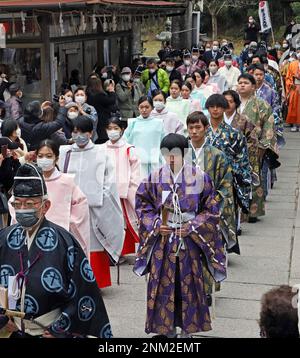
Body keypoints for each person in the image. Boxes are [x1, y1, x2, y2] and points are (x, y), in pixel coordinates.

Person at [0, 163, 111, 338]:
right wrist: (2, 319)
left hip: (49, 330)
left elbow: (83, 293)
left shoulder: (65, 242)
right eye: (17, 204)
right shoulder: (4, 239)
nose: (22, 209)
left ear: (46, 206)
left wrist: (61, 328)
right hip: (10, 331)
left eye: (29, 203)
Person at [133, 133, 226, 338]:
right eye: (166, 154)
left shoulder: (200, 178)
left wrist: (193, 225)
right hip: (164, 240)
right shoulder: (154, 178)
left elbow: (211, 211)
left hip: (188, 240)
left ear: (185, 153)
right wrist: (156, 224)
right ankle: (164, 329)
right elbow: (142, 205)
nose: (171, 158)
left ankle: (188, 329)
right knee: (163, 284)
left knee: (189, 284)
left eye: (175, 153)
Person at [59, 116, 124, 289]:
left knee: (93, 243)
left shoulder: (101, 153)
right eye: (75, 131)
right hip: (70, 208)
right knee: (71, 244)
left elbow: (109, 182)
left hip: (94, 208)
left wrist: (98, 197)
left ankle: (95, 283)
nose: (78, 135)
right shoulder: (65, 153)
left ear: (91, 133)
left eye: (82, 132)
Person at [205, 94, 252, 251]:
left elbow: (242, 159)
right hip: (203, 180)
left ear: (225, 108)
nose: (216, 109)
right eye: (212, 106)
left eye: (219, 106)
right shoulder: (202, 132)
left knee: (224, 214)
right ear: (208, 108)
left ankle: (222, 248)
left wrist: (239, 179)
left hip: (226, 180)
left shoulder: (234, 134)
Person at [35, 139, 89, 256]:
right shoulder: (32, 181)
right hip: (34, 234)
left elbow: (81, 205)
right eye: (41, 156)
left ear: (56, 158)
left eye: (48, 156)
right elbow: (15, 203)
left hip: (62, 236)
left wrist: (69, 223)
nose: (44, 159)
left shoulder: (67, 181)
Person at [236, 73, 276, 222]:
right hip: (234, 147)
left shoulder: (262, 105)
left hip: (254, 147)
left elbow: (269, 126)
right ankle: (238, 212)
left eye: (246, 83)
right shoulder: (232, 104)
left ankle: (253, 211)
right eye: (240, 82)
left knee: (254, 178)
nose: (242, 85)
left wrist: (263, 146)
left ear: (253, 87)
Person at [105, 116, 141, 256]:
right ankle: (112, 252)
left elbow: (136, 172)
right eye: (110, 128)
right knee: (110, 223)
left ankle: (124, 251)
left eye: (116, 128)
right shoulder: (102, 148)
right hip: (107, 192)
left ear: (122, 130)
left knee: (126, 222)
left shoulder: (129, 149)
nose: (112, 131)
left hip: (125, 193)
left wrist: (131, 188)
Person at [123, 96, 165, 178]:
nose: (144, 110)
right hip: (137, 162)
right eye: (141, 107)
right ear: (138, 108)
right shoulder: (133, 123)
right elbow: (125, 140)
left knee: (155, 186)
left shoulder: (159, 123)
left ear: (152, 108)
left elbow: (164, 141)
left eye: (147, 107)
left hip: (155, 161)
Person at [87, 77, 118, 144]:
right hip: (102, 123)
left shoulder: (88, 95)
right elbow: (111, 101)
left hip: (92, 122)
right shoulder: (99, 95)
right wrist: (112, 91)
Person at [285, 48, 300, 130]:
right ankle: (294, 124)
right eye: (298, 52)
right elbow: (288, 77)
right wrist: (290, 84)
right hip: (295, 86)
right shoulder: (292, 64)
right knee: (293, 106)